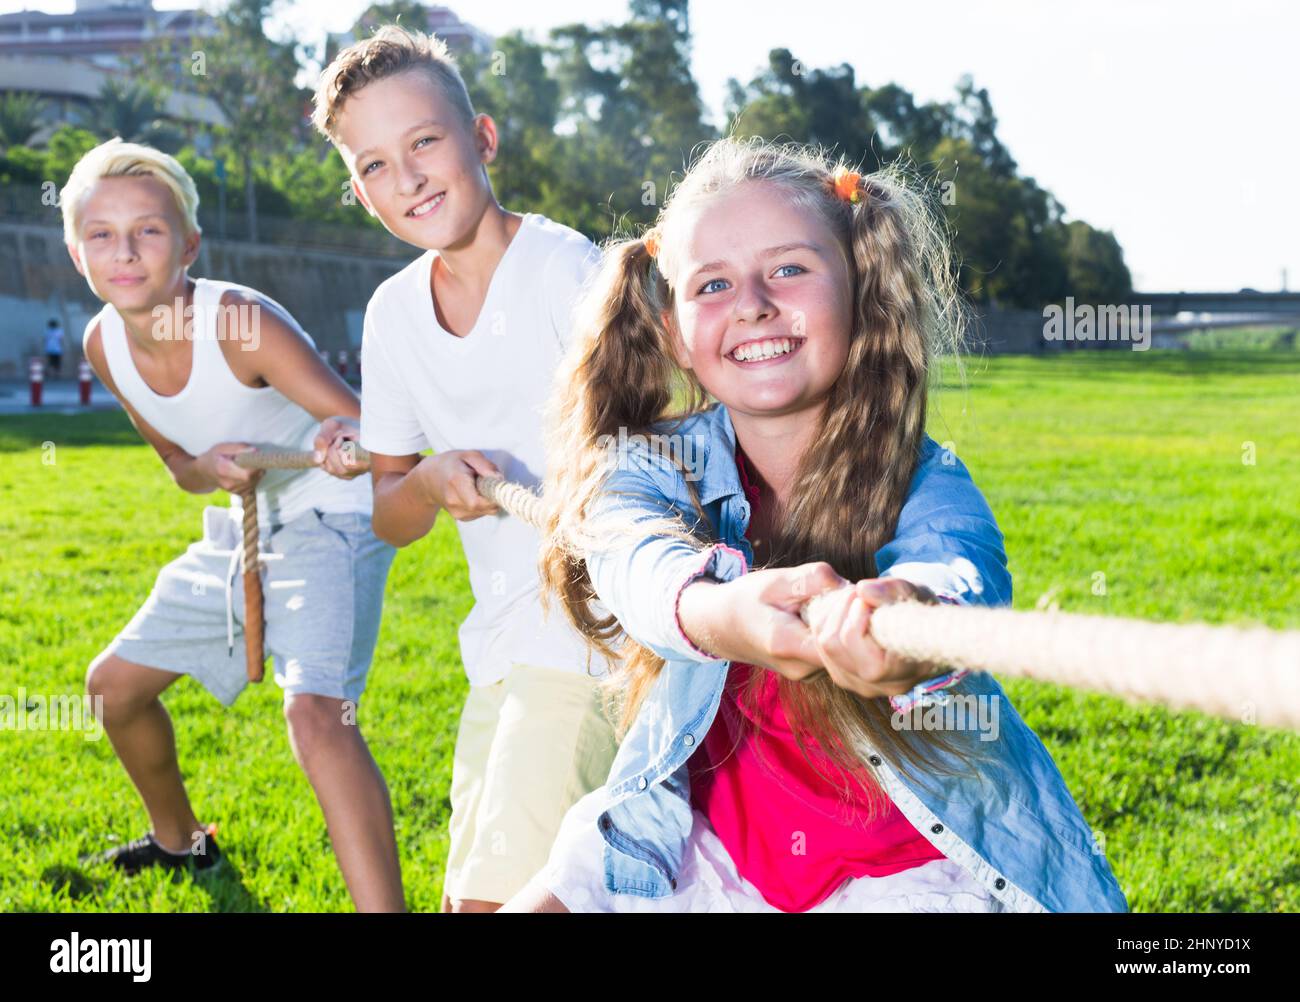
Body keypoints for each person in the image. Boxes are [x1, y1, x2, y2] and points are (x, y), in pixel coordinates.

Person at [501, 137, 1129, 913]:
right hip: (705, 842)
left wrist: (910, 618)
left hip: (905, 863)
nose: (754, 303)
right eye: (712, 285)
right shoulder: (650, 463)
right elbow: (636, 555)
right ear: (674, 335)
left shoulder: (922, 478)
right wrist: (723, 612)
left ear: (861, 291)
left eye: (789, 269)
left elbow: (960, 571)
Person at [311, 25, 617, 912]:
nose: (403, 179)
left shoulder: (565, 271)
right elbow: (390, 514)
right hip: (497, 650)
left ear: (481, 139)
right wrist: (430, 479)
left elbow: (657, 442)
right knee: (469, 901)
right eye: (371, 164)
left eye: (422, 143)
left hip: (589, 641)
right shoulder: (392, 315)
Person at [62, 138, 405, 912]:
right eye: (101, 235)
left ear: (187, 245)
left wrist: (341, 440)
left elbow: (355, 421)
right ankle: (181, 844)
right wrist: (211, 466)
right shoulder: (102, 343)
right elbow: (181, 469)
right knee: (113, 689)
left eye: (148, 230)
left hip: (332, 514)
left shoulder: (239, 323)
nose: (124, 251)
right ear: (76, 253)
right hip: (246, 521)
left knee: (316, 712)